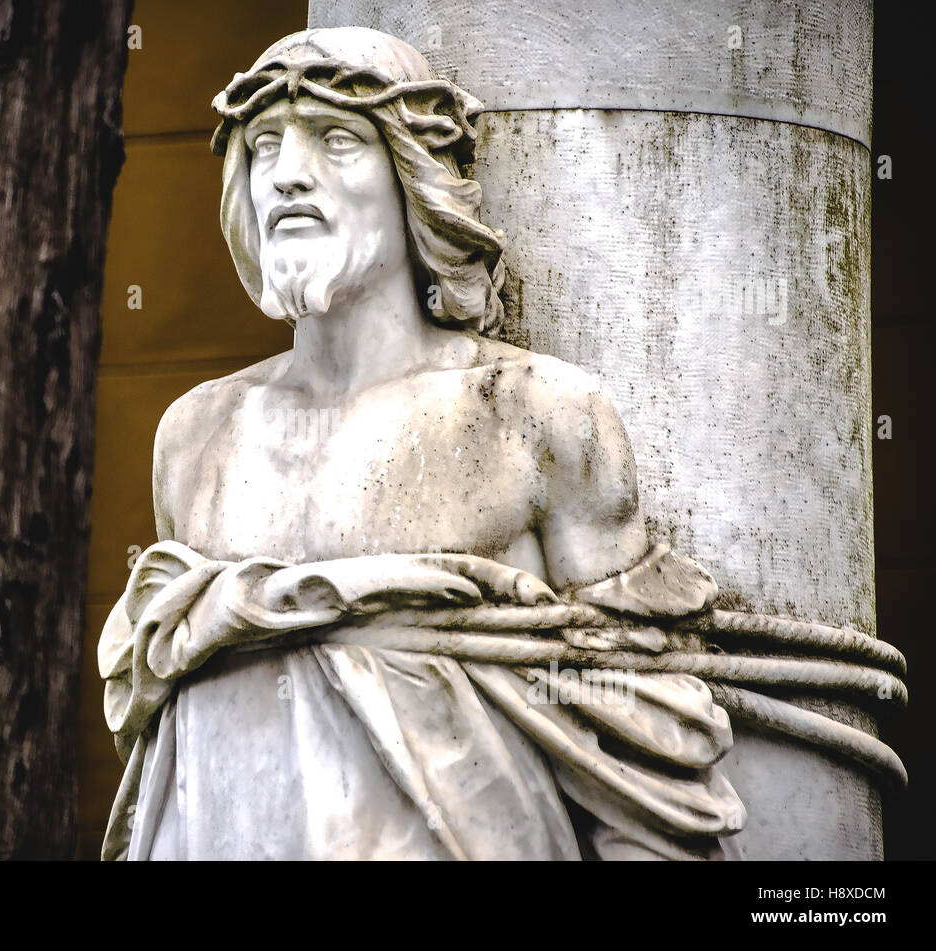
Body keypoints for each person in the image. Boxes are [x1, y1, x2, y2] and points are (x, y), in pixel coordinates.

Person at [99, 27, 743, 860]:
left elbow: (639, 734)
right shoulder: (195, 436)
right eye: (263, 145)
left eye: (337, 139)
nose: (288, 171)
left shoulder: (536, 412)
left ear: (416, 180)